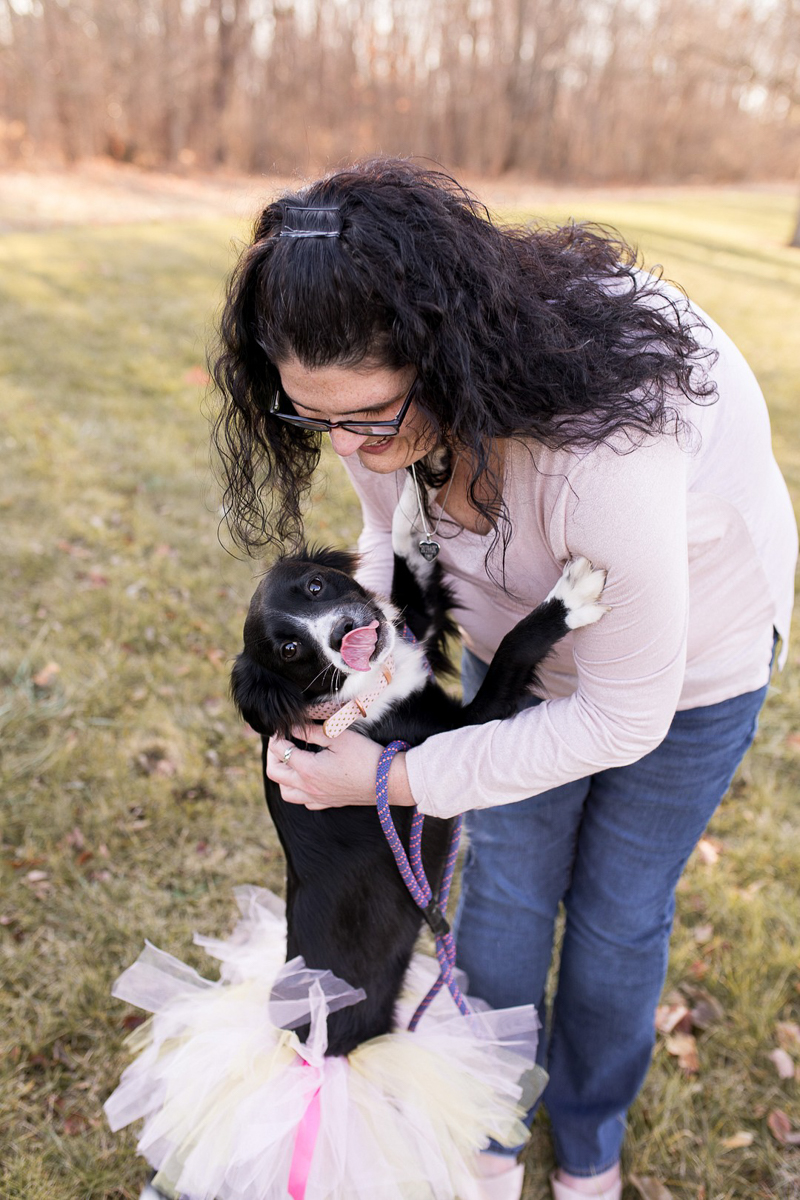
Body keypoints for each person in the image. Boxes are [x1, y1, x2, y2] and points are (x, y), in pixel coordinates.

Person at [211, 159, 797, 1200]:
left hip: (689, 674)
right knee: (511, 885)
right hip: (513, 637)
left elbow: (619, 716)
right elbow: (385, 528)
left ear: (446, 357)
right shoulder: (366, 394)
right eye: (314, 420)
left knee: (619, 913)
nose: (348, 447)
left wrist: (384, 781)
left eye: (368, 420)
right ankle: (488, 1116)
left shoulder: (607, 452)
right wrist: (357, 683)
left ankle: (586, 1143)